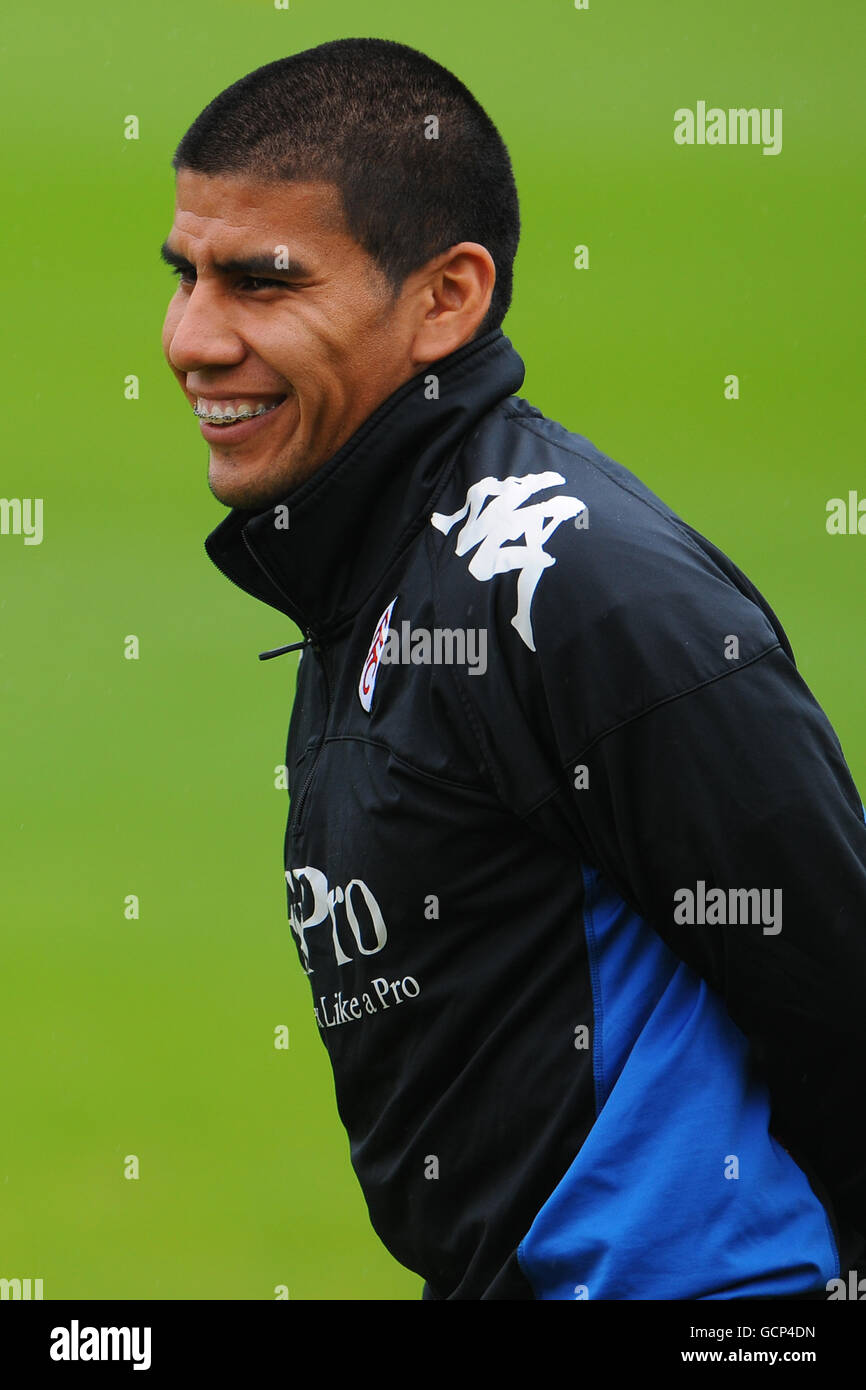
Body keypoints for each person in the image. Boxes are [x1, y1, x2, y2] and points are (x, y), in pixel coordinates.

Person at [161, 37, 866, 1300]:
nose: (190, 340)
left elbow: (834, 978)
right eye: (185, 277)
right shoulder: (363, 554)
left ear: (445, 297)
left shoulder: (589, 595)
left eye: (261, 284)